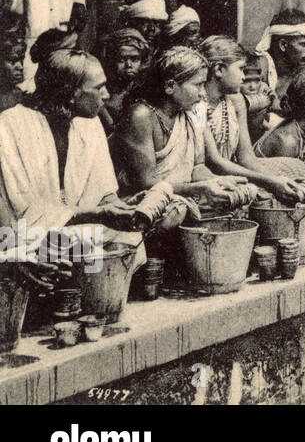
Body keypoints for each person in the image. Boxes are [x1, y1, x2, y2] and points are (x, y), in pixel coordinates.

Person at [0, 49, 188, 268]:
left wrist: (126, 208)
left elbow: (105, 196)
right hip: (23, 235)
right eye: (99, 88)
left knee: (127, 236)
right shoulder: (10, 126)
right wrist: (99, 214)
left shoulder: (89, 123)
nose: (106, 95)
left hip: (74, 232)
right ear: (70, 92)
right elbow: (21, 213)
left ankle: (89, 278)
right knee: (54, 246)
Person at [112, 47, 262, 210]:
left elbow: (197, 167)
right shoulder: (141, 116)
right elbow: (146, 183)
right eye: (198, 85)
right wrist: (199, 189)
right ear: (170, 86)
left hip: (179, 196)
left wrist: (216, 182)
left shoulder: (194, 112)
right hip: (142, 202)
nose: (203, 93)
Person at [198, 36, 305, 203]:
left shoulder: (236, 100)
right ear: (219, 70)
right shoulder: (198, 104)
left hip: (235, 169)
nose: (243, 76)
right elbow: (216, 163)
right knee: (256, 190)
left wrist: (276, 179)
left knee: (297, 169)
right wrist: (270, 182)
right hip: (210, 177)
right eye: (240, 69)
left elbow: (247, 158)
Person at [97, 28, 150, 131]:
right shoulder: (102, 89)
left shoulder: (145, 88)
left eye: (134, 59)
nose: (129, 65)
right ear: (112, 60)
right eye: (121, 60)